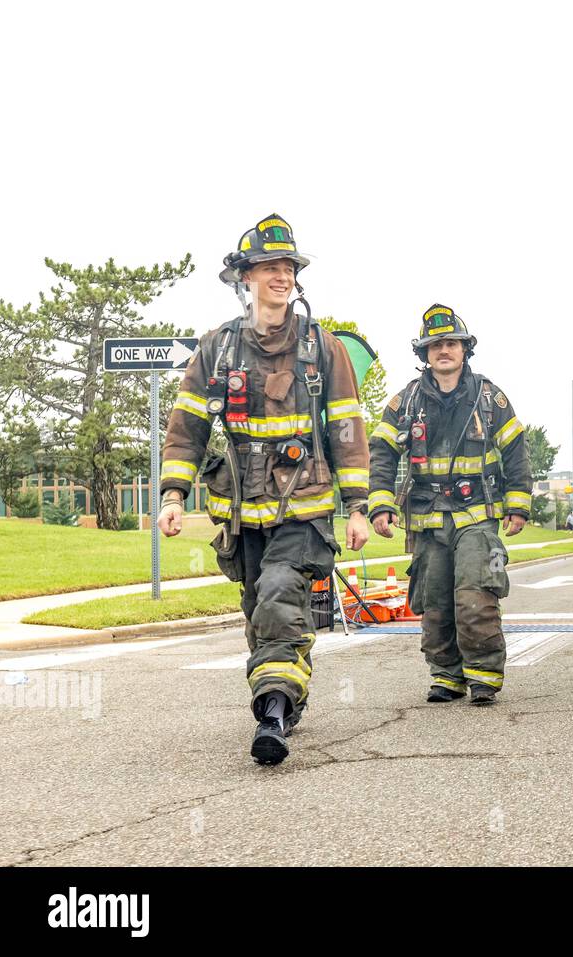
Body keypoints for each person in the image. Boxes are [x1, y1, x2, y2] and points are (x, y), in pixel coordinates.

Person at [158, 214, 370, 765]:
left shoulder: (325, 349)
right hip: (242, 513)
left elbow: (347, 431)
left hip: (304, 510)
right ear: (245, 278)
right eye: (268, 267)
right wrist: (173, 495)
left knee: (279, 594)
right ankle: (283, 694)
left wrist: (359, 507)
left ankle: (271, 712)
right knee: (260, 610)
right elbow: (186, 428)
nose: (281, 276)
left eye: (288, 268)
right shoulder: (217, 349)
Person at [368, 305, 532, 706]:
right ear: (425, 353)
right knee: (435, 601)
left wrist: (518, 504)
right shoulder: (404, 402)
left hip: (477, 513)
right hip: (426, 519)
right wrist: (380, 503)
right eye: (436, 344)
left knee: (475, 595)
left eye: (451, 343)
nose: (444, 350)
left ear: (465, 350)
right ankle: (447, 675)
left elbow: (516, 452)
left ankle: (483, 676)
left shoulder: (490, 398)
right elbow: (382, 453)